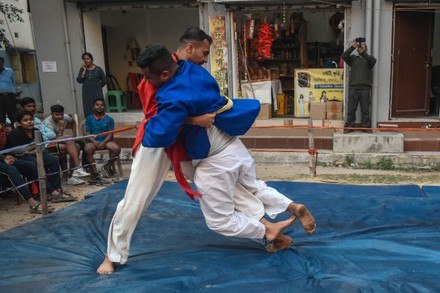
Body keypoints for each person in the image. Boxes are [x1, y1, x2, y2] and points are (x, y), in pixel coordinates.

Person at [98, 27, 279, 275]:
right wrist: (193, 120)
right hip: (157, 142)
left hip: (185, 141)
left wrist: (198, 119)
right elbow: (160, 126)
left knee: (221, 183)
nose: (206, 59)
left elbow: (210, 100)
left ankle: (267, 226)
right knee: (135, 198)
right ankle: (113, 255)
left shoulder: (191, 72)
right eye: (204, 53)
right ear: (189, 48)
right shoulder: (154, 78)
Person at [141, 44, 315, 262]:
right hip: (234, 147)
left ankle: (267, 232)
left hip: (214, 161)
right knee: (250, 189)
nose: (147, 83)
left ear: (165, 74)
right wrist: (191, 118)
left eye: (149, 78)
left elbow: (157, 136)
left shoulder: (172, 97)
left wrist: (174, 119)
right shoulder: (195, 72)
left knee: (219, 221)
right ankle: (289, 206)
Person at [7, 110, 77, 203]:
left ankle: (57, 189)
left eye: (31, 119)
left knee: (53, 160)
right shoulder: (15, 133)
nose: (29, 122)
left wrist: (34, 150)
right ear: (19, 123)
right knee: (33, 164)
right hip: (20, 157)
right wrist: (33, 147)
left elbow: (43, 146)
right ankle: (52, 193)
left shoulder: (36, 131)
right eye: (25, 120)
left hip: (36, 153)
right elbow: (17, 151)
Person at [43, 104, 90, 185]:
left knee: (77, 146)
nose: (60, 116)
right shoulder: (47, 123)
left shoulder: (64, 117)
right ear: (51, 114)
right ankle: (77, 168)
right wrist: (61, 129)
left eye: (61, 114)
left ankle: (72, 175)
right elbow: (53, 138)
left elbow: (73, 122)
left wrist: (74, 134)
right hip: (48, 144)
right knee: (69, 139)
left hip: (59, 141)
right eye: (57, 114)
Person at [341, 39, 377, 133]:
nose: (361, 47)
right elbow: (344, 56)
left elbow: (373, 61)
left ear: (366, 48)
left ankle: (366, 127)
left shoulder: (369, 59)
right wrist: (352, 47)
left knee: (365, 109)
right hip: (353, 87)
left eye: (363, 46)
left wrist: (363, 53)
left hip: (365, 89)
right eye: (360, 46)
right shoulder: (353, 58)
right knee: (351, 109)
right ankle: (349, 126)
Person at [84, 98, 121, 182]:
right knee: (87, 149)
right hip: (93, 142)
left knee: (116, 149)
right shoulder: (89, 119)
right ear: (93, 107)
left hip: (106, 141)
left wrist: (104, 142)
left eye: (102, 105)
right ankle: (95, 172)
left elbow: (110, 133)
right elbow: (88, 133)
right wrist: (94, 141)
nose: (99, 107)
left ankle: (107, 166)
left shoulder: (109, 119)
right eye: (97, 105)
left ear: (104, 107)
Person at [76, 52, 107, 118]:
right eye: (84, 59)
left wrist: (98, 86)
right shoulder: (82, 69)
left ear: (91, 59)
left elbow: (104, 80)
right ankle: (89, 124)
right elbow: (79, 80)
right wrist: (83, 71)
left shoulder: (98, 69)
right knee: (88, 108)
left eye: (88, 58)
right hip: (86, 94)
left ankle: (100, 123)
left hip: (97, 93)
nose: (86, 60)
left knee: (99, 107)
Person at [0, 57, 17, 127]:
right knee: (1, 115)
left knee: (12, 114)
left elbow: (14, 82)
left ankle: (15, 132)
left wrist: (14, 91)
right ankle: (2, 135)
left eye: (0, 64)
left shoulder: (9, 71)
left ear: (3, 63)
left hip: (9, 96)